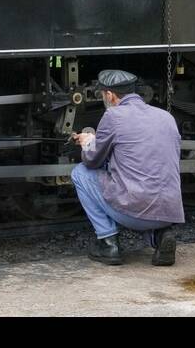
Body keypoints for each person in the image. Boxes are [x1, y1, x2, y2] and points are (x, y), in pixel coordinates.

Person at [70, 69, 184, 266]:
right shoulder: (166, 117)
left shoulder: (113, 116)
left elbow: (92, 161)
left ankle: (108, 244)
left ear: (110, 95)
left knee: (80, 172)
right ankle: (160, 235)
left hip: (136, 214)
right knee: (144, 177)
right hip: (170, 212)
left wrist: (89, 142)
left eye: (103, 95)